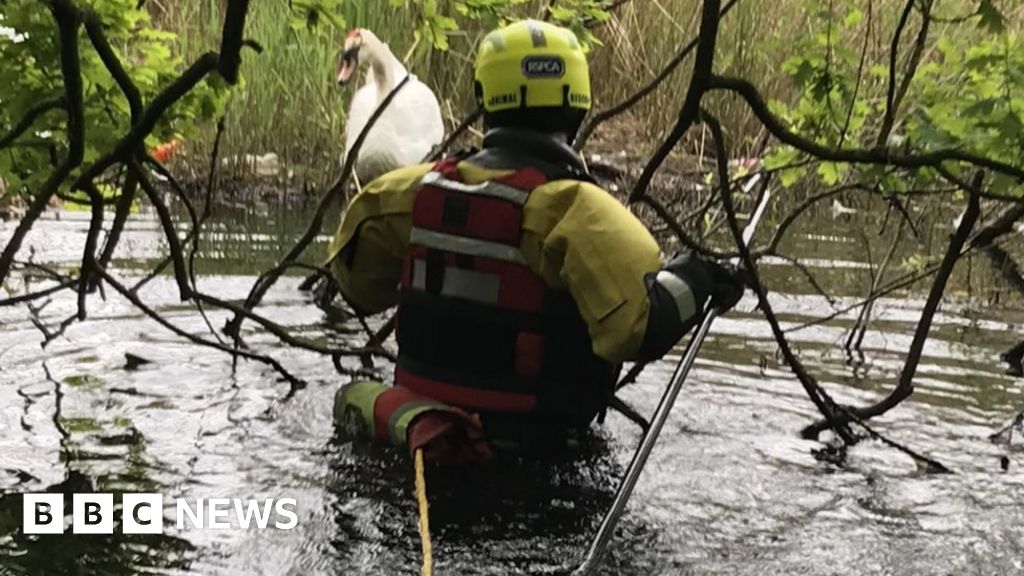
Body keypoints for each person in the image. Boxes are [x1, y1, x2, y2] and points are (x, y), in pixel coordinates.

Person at [327, 19, 745, 464]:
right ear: (577, 106)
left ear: (485, 99)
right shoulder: (576, 211)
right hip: (529, 459)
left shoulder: (404, 195)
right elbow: (635, 329)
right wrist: (697, 278)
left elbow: (357, 286)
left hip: (421, 441)